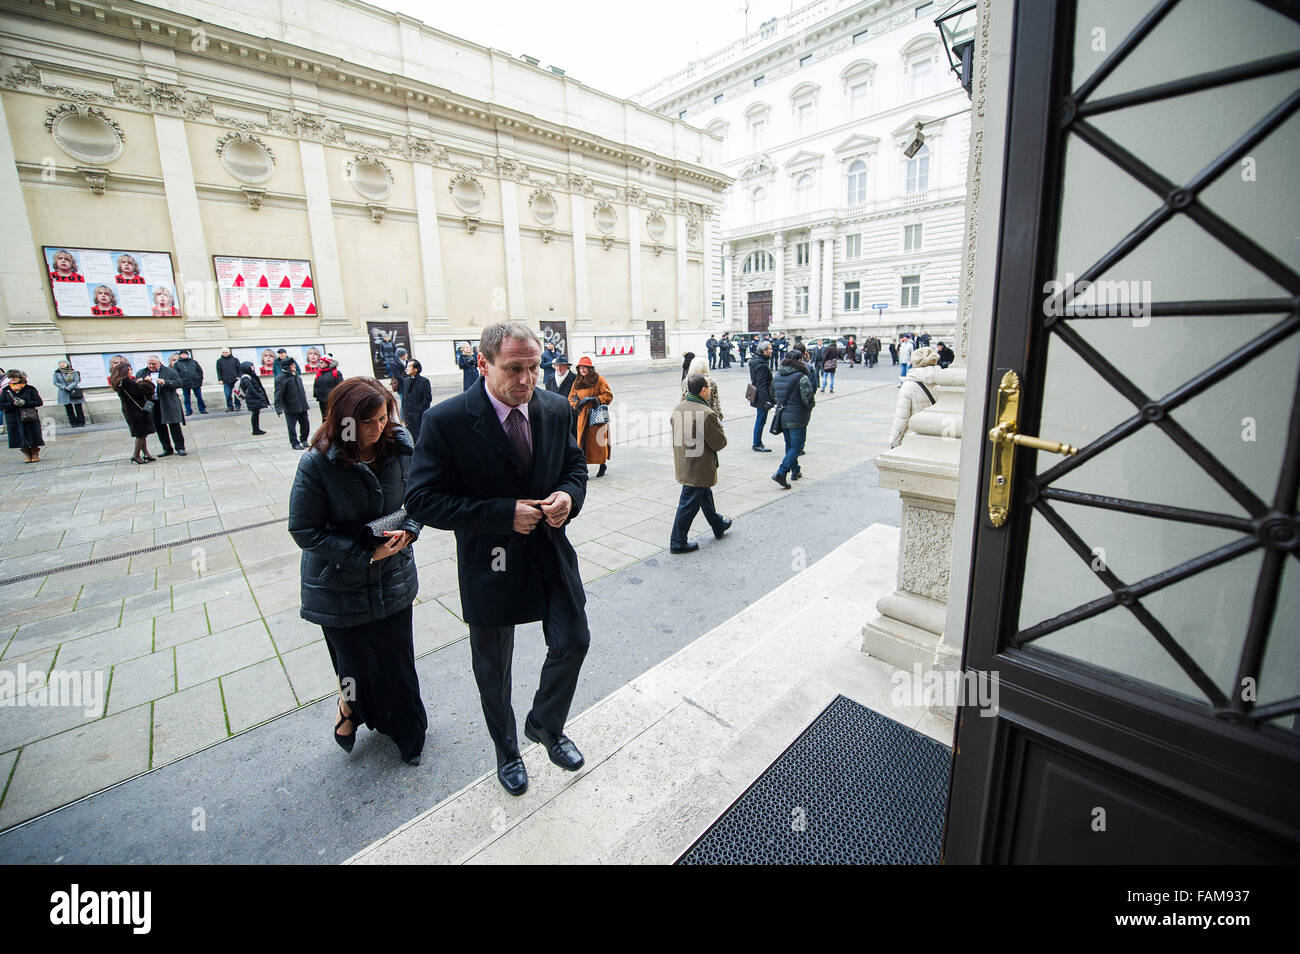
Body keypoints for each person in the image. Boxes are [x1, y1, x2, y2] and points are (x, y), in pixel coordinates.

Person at [404, 320, 591, 797]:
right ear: (482, 363)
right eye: (514, 368)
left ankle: (545, 726)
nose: (526, 380)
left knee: (574, 639)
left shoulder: (552, 407)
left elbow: (573, 466)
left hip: (549, 550)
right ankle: (506, 750)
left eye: (534, 367)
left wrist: (569, 497)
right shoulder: (445, 421)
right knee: (493, 668)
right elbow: (422, 499)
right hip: (490, 561)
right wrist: (501, 514)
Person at [288, 376, 426, 766]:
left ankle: (408, 732)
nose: (378, 428)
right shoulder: (318, 461)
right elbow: (304, 530)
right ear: (344, 420)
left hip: (394, 578)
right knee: (353, 666)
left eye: (383, 418)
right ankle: (350, 709)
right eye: (368, 422)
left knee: (397, 661)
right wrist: (364, 554)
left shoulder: (399, 446)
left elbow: (418, 498)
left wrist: (408, 532)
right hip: (338, 585)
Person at [669, 373, 731, 555]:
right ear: (703, 391)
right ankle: (677, 542)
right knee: (688, 504)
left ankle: (718, 525)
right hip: (698, 466)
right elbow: (719, 443)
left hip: (685, 462)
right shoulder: (706, 413)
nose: (711, 390)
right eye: (709, 387)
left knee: (704, 495)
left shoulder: (679, 408)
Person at [771, 350, 815, 489]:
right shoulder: (801, 377)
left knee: (790, 445)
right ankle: (781, 472)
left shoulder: (777, 376)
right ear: (800, 360)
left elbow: (773, 395)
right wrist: (810, 405)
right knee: (797, 447)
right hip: (798, 418)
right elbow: (808, 399)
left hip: (782, 416)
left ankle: (795, 470)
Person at [889, 347, 942, 449]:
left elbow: (901, 418)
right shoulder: (942, 382)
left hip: (914, 436)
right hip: (937, 435)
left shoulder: (909, 385)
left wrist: (894, 441)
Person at [569, 355, 612, 478]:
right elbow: (570, 397)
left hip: (597, 416)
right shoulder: (577, 381)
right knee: (582, 445)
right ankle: (584, 469)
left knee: (599, 443)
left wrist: (594, 399)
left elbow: (608, 396)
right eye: (580, 368)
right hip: (582, 417)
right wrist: (577, 403)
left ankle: (602, 464)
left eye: (584, 368)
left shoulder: (599, 379)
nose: (582, 370)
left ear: (590, 368)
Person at [109, 356, 155, 464]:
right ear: (124, 372)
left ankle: (146, 454)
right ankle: (136, 455)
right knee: (141, 433)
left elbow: (134, 390)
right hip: (136, 411)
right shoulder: (125, 381)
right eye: (129, 370)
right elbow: (140, 392)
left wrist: (138, 382)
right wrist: (147, 382)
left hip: (133, 410)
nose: (131, 372)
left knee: (143, 432)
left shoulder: (123, 381)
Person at [137, 355, 186, 456]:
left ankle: (180, 448)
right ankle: (167, 448)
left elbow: (178, 383)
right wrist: (142, 382)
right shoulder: (142, 372)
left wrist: (165, 382)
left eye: (153, 364)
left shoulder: (170, 371)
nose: (151, 366)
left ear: (159, 363)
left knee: (174, 425)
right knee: (159, 427)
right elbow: (136, 387)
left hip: (168, 402)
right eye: (149, 364)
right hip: (153, 403)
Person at [2, 370, 45, 463]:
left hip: (28, 415)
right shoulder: (6, 390)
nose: (13, 379)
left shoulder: (30, 389)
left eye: (15, 377)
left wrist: (25, 403)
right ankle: (26, 453)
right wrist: (12, 404)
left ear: (21, 378)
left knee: (32, 434)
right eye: (11, 377)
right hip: (14, 417)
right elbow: (1, 405)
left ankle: (34, 452)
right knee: (19, 436)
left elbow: (39, 402)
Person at [274, 357, 311, 449]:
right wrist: (278, 408)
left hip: (302, 405)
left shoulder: (296, 376)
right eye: (292, 365)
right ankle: (294, 443)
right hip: (291, 407)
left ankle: (304, 439)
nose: (294, 366)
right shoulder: (280, 378)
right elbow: (278, 394)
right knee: (291, 426)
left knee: (305, 424)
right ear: (287, 367)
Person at [749, 341, 775, 453]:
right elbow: (762, 385)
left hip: (758, 395)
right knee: (760, 420)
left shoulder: (756, 362)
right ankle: (757, 443)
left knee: (760, 420)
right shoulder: (761, 365)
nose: (771, 351)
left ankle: (757, 442)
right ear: (764, 351)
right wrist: (767, 401)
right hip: (761, 397)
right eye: (769, 349)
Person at [400, 358, 432, 444]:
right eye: (406, 366)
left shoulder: (424, 381)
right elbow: (404, 397)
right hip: (408, 416)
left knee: (420, 437)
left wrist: (420, 410)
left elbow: (427, 399)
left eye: (409, 366)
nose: (406, 368)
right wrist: (405, 410)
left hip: (418, 415)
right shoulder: (405, 380)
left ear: (416, 369)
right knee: (410, 438)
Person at [681, 355, 722, 421]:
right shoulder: (710, 381)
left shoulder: (686, 381)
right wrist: (718, 418)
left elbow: (683, 398)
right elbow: (715, 402)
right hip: (706, 417)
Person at [235, 361, 269, 435]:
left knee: (256, 413)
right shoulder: (246, 377)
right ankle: (255, 430)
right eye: (251, 366)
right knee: (255, 414)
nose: (253, 368)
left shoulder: (250, 375)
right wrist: (258, 395)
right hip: (252, 398)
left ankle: (256, 429)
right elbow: (250, 388)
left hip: (253, 398)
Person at [52, 360, 86, 427]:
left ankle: (81, 422)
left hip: (74, 391)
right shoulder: (57, 373)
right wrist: (63, 387)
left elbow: (76, 381)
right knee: (69, 409)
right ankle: (73, 423)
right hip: (64, 392)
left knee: (78, 408)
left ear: (67, 364)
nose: (62, 364)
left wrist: (69, 387)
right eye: (60, 363)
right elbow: (55, 382)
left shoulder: (74, 372)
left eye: (63, 362)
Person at [173, 349, 207, 415]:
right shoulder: (177, 364)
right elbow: (175, 374)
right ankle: (188, 411)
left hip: (196, 382)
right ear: (180, 355)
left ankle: (202, 409)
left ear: (187, 355)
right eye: (182, 354)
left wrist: (200, 379)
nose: (184, 355)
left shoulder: (194, 362)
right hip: (185, 384)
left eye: (185, 354)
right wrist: (180, 382)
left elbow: (200, 371)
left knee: (199, 397)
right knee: (187, 399)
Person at [216, 347, 242, 412]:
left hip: (235, 380)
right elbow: (218, 371)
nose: (225, 353)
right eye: (223, 352)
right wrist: (220, 379)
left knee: (237, 394)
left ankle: (237, 406)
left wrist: (239, 377)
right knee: (227, 394)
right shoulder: (219, 361)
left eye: (226, 352)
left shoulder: (235, 360)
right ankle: (230, 406)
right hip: (226, 380)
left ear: (229, 352)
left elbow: (239, 369)